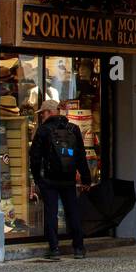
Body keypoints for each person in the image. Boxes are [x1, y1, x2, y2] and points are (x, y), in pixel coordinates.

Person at [28, 100, 92, 260]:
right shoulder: (73, 129)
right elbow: (80, 157)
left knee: (51, 212)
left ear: (49, 112)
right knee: (72, 211)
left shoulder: (43, 130)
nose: (41, 115)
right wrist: (86, 179)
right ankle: (78, 247)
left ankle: (54, 248)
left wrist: (37, 178)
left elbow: (34, 157)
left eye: (42, 112)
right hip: (68, 178)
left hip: (49, 179)